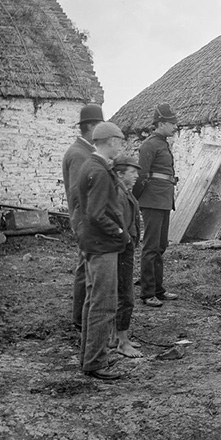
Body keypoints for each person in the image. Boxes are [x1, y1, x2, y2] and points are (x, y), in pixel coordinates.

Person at [76, 122, 128, 380]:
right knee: (104, 304)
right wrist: (119, 232)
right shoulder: (97, 170)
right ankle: (95, 362)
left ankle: (88, 357)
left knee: (91, 301)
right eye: (119, 140)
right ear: (108, 140)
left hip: (93, 244)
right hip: (102, 245)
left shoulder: (92, 166)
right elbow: (96, 215)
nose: (121, 144)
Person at [62, 104, 104, 330]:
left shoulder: (85, 151)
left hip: (87, 218)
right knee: (84, 269)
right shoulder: (78, 154)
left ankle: (80, 316)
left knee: (85, 267)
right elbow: (79, 194)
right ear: (92, 127)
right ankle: (80, 318)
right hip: (85, 220)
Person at [134, 103, 180, 307]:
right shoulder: (150, 145)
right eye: (172, 123)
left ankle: (158, 289)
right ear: (160, 123)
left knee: (161, 246)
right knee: (151, 247)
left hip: (162, 201)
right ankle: (147, 292)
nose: (175, 127)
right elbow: (141, 174)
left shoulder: (162, 143)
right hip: (152, 201)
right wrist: (135, 199)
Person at [112, 155, 144, 358]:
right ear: (119, 174)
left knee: (122, 293)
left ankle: (117, 337)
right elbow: (117, 223)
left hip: (126, 246)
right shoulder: (118, 193)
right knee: (126, 295)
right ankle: (122, 342)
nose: (136, 176)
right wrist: (126, 240)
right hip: (122, 248)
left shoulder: (124, 191)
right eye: (132, 172)